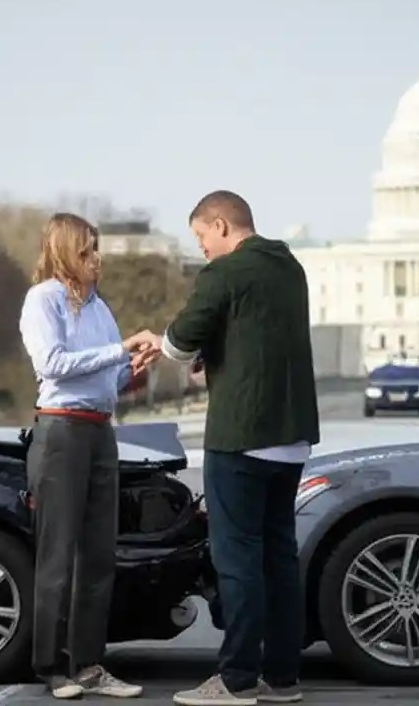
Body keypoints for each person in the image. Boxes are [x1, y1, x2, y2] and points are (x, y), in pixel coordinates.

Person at [138, 191, 320, 706]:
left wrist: (166, 341)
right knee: (279, 558)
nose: (203, 249)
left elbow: (178, 341)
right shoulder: (289, 268)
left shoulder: (225, 273)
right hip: (291, 437)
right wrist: (214, 355)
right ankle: (283, 679)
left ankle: (237, 679)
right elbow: (257, 338)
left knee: (236, 560)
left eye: (202, 238)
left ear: (221, 225)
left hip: (241, 436)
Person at [18, 212, 157, 700]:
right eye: (87, 250)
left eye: (96, 249)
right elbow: (51, 365)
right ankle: (51, 667)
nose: (96, 259)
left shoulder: (99, 308)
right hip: (61, 431)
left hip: (100, 431)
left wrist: (132, 371)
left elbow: (107, 378)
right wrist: (119, 350)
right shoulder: (43, 300)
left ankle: (90, 665)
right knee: (58, 555)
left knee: (99, 555)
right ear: (64, 253)